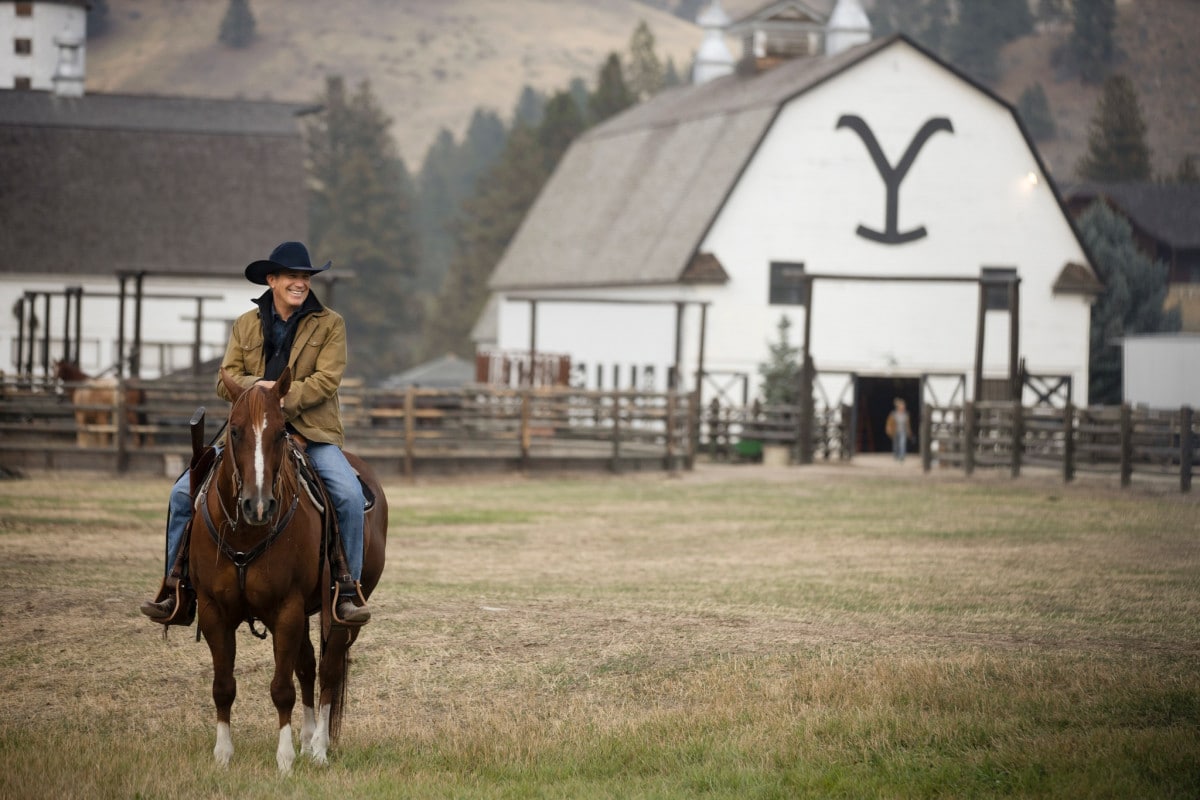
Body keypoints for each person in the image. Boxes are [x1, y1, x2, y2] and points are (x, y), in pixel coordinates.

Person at [140, 241, 370, 624]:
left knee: (347, 495)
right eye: (292, 277)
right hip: (248, 433)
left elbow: (326, 380)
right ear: (272, 279)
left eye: (305, 278)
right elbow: (224, 377)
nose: (300, 283)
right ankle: (176, 588)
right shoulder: (246, 323)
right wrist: (260, 394)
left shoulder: (331, 323)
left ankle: (347, 589)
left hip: (310, 431)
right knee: (182, 494)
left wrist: (278, 399)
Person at [885, 397, 913, 462]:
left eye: (903, 406)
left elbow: (908, 424)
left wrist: (909, 432)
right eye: (902, 406)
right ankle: (896, 455)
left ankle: (902, 456)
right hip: (895, 431)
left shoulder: (906, 415)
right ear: (898, 407)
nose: (903, 407)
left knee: (902, 443)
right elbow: (889, 423)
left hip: (903, 431)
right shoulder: (893, 414)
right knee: (896, 444)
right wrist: (889, 429)